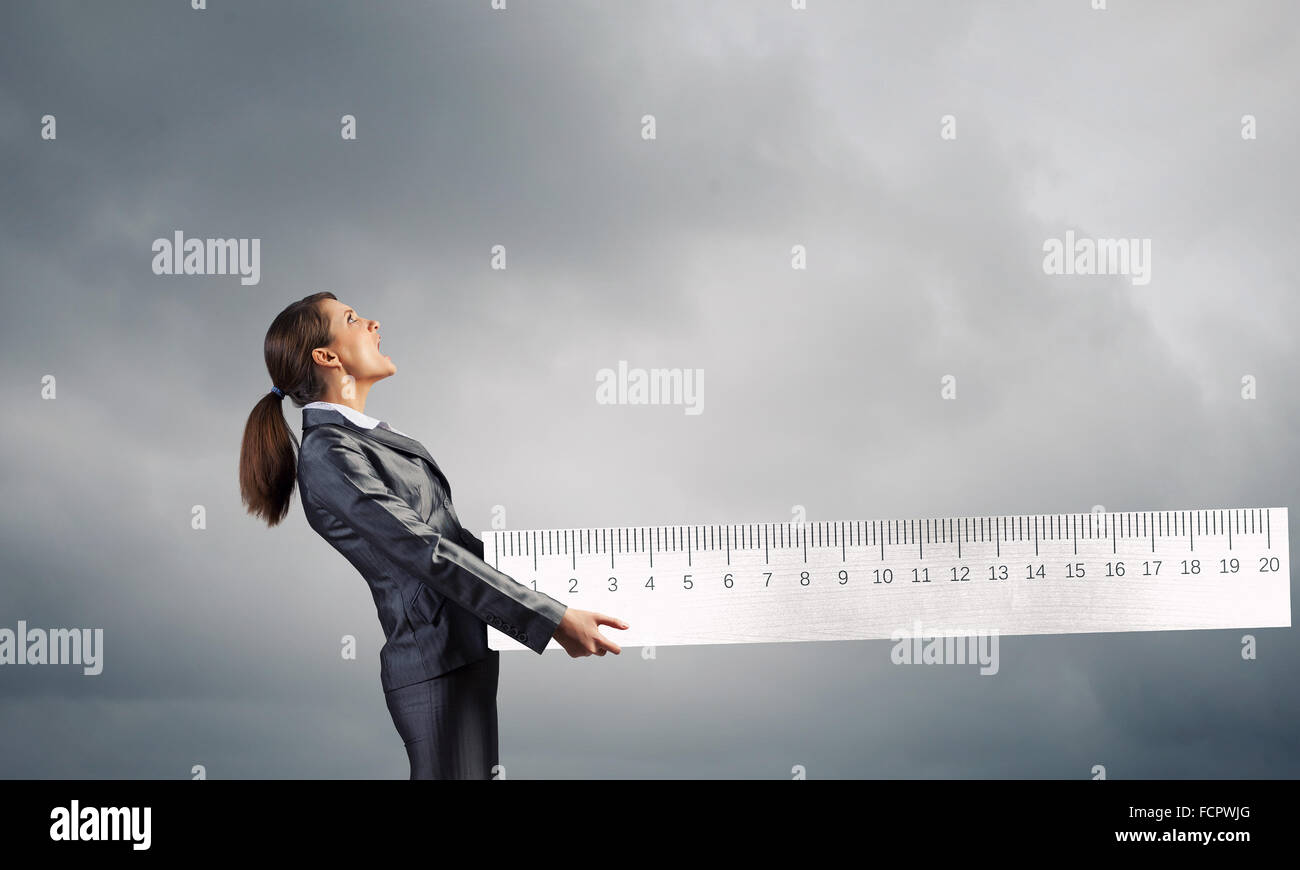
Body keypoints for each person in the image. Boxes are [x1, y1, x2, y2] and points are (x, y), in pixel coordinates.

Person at [238, 291, 628, 778]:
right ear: (327, 356)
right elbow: (427, 551)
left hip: (461, 652)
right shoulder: (329, 455)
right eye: (353, 319)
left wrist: (564, 584)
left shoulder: (363, 438)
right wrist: (549, 618)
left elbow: (454, 543)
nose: (373, 323)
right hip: (434, 664)